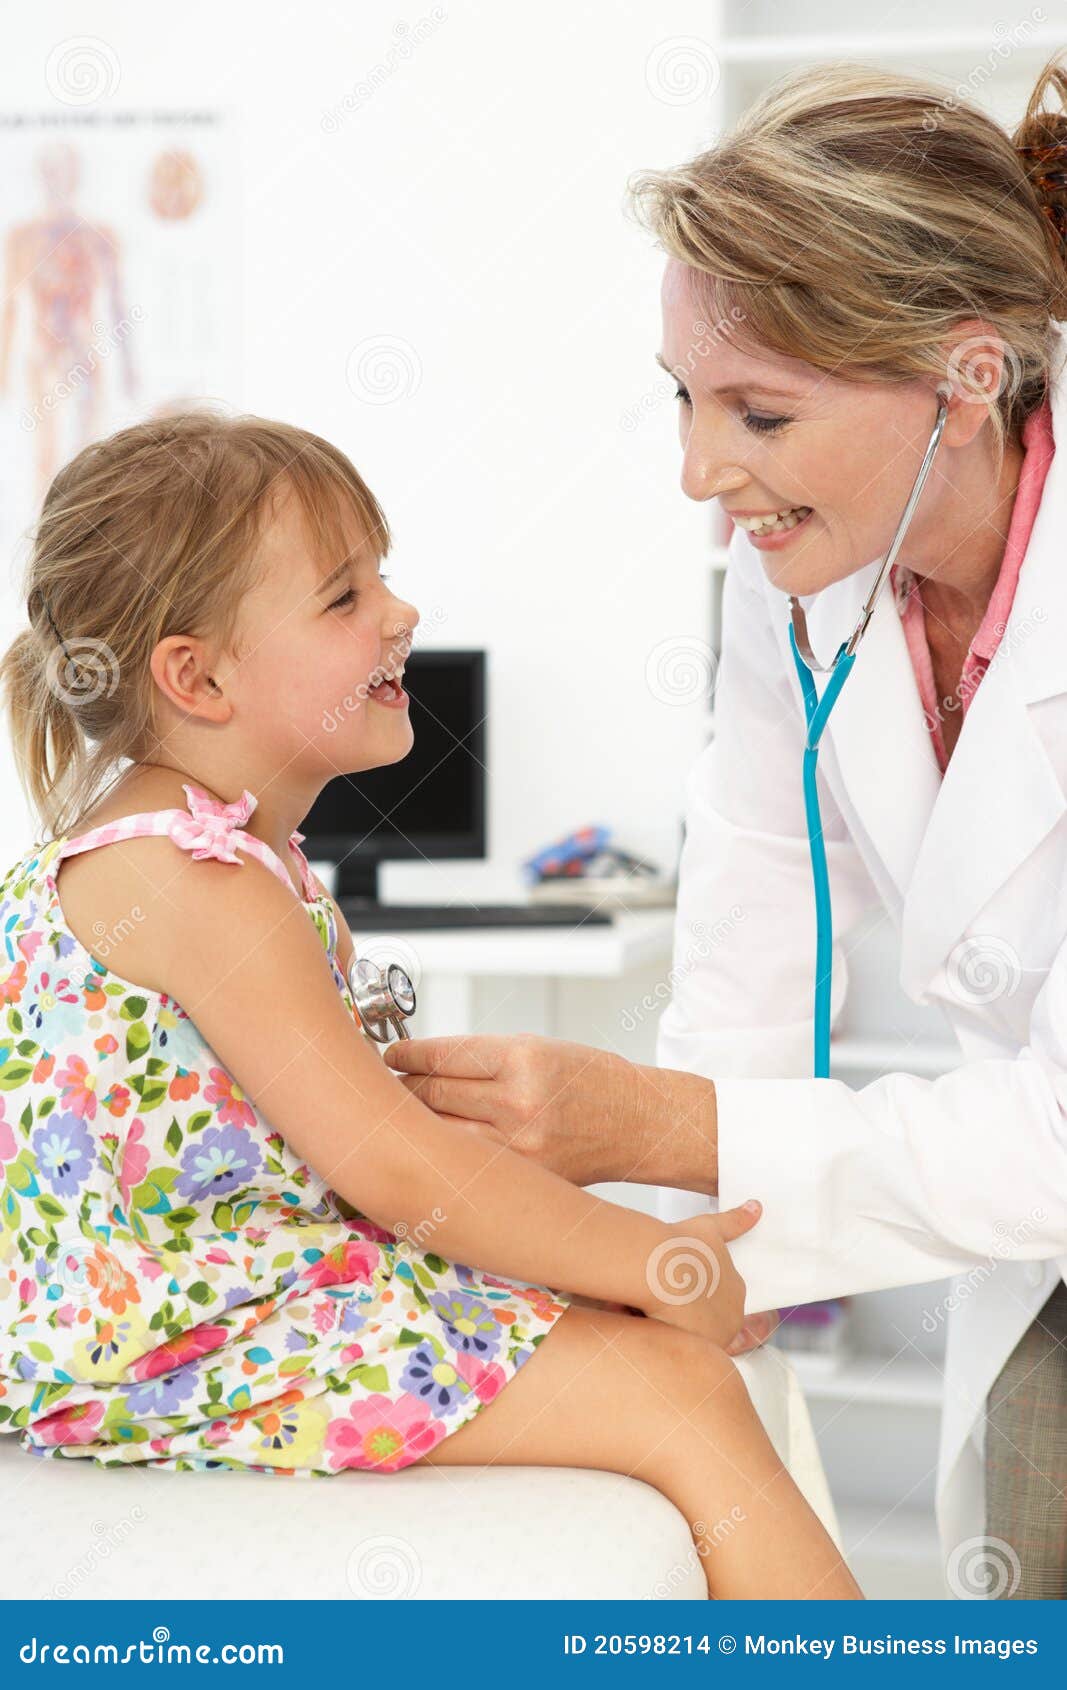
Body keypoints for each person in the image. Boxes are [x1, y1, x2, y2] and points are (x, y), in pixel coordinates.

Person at [384, 56, 1067, 1599]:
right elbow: (747, 928)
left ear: (965, 381)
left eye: (757, 412)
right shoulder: (810, 579)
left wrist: (652, 1129)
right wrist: (680, 1249)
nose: (702, 477)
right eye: (683, 401)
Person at [0, 408, 861, 1601]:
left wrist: (597, 1248)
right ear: (196, 677)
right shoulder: (198, 881)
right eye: (343, 595)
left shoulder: (219, 864)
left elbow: (338, 1160)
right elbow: (399, 1173)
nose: (399, 613)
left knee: (637, 1341)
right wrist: (653, 1260)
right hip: (170, 1343)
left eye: (384, 573)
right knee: (684, 1393)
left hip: (201, 1299)